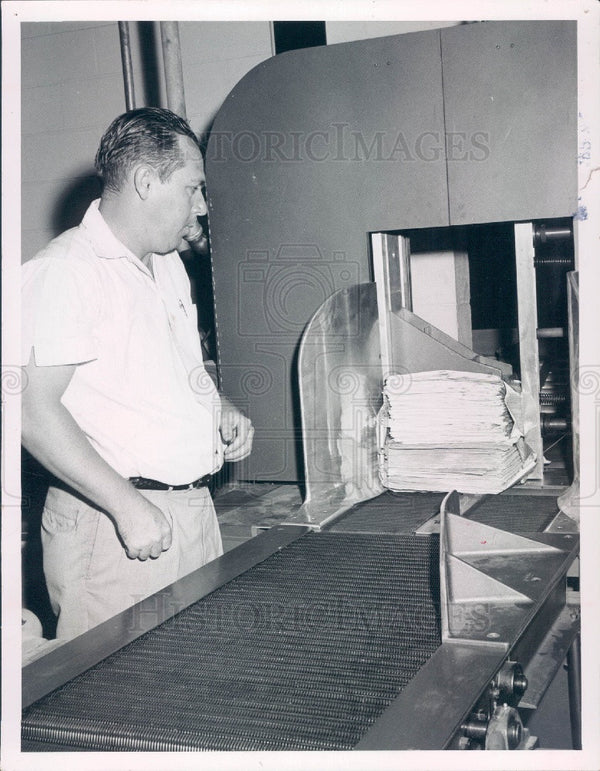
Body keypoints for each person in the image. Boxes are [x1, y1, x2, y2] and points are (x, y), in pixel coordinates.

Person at [21, 107, 254, 641]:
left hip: (191, 511)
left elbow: (180, 367)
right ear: (147, 182)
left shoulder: (164, 263)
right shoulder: (65, 272)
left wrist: (216, 406)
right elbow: (31, 410)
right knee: (125, 688)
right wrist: (127, 508)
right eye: (193, 188)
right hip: (114, 525)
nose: (201, 205)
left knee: (202, 672)